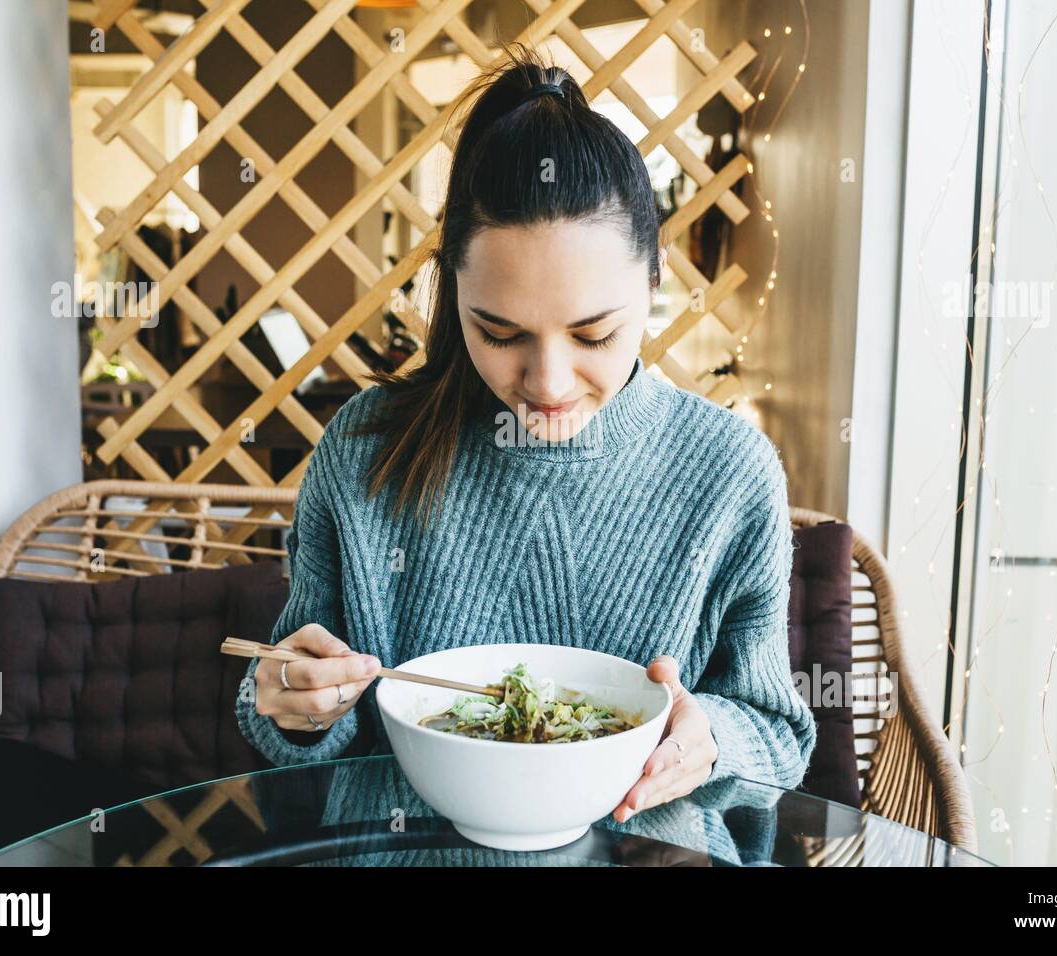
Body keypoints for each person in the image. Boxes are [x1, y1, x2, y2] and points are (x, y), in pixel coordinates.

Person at [235, 42, 816, 830]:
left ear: (655, 278)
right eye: (501, 332)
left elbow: (777, 730)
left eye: (593, 334)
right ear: (453, 290)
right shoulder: (364, 451)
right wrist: (292, 701)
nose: (547, 382)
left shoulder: (729, 472)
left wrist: (711, 736)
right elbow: (287, 697)